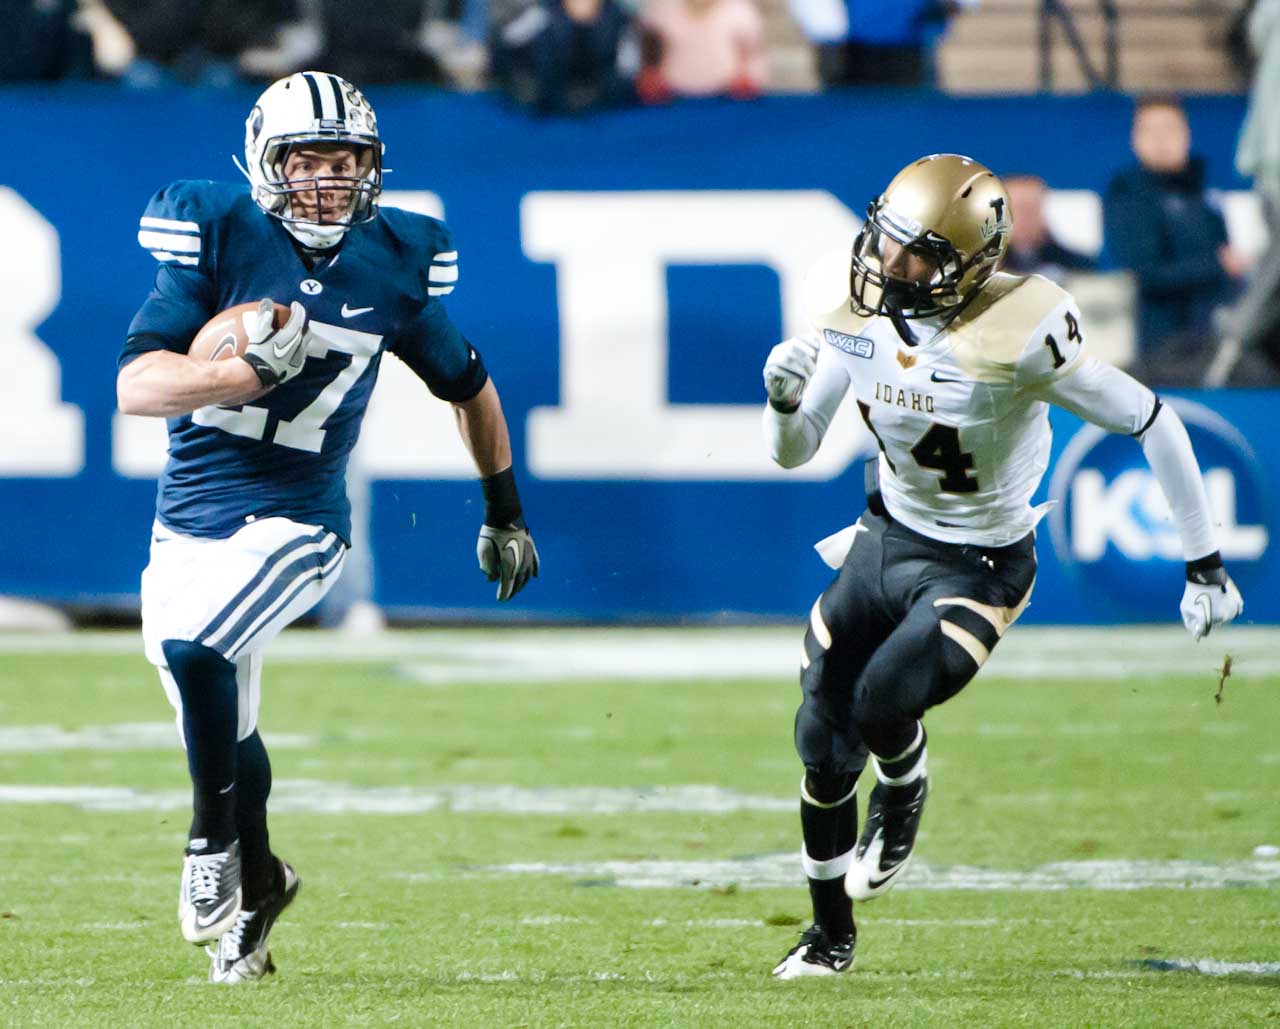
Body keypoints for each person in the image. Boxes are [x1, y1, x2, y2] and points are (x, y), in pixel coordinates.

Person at [761, 154, 1243, 979]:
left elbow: (1153, 420)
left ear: (969, 262)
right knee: (820, 733)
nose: (888, 264)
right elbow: (796, 451)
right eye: (885, 242)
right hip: (885, 538)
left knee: (882, 703)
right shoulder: (861, 318)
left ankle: (904, 786)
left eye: (915, 253)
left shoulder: (1022, 329)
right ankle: (828, 935)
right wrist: (781, 406)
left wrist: (1204, 563)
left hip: (977, 565)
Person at [116, 71, 539, 983]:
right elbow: (135, 387)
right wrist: (234, 379)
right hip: (188, 520)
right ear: (266, 165)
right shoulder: (219, 232)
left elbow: (470, 384)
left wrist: (503, 506)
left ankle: (210, 848)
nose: (328, 180)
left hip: (300, 518)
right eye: (307, 160)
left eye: (345, 162)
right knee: (222, 718)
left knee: (198, 651)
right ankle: (262, 885)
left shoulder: (395, 257)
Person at [1103, 98, 1246, 362]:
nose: (1160, 141)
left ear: (1186, 135)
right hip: (1159, 346)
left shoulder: (1205, 196)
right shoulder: (1126, 196)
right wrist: (1216, 265)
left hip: (1213, 337)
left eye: (1169, 129)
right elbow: (1142, 272)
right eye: (1150, 131)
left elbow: (1226, 260)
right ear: (1135, 139)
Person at [636, 0, 767, 103]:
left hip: (728, 100)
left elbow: (752, 57)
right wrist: (650, 77)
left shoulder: (739, 11)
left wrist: (750, 76)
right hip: (670, 101)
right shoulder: (661, 9)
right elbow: (648, 60)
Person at [1001, 174, 1096, 283]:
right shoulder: (984, 266)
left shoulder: (1074, 264)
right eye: (1020, 208)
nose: (1027, 217)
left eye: (1033, 208)